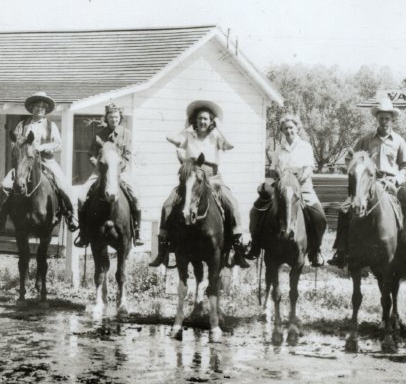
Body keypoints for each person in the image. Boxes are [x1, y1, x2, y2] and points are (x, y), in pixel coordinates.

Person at [148, 100, 250, 269]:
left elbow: (230, 145)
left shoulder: (216, 136)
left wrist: (219, 127)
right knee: (167, 205)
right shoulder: (188, 135)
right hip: (191, 177)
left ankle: (237, 248)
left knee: (232, 203)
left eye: (206, 119)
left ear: (211, 121)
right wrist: (185, 126)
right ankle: (163, 249)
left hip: (213, 177)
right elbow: (170, 138)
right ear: (194, 120)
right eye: (199, 119)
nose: (202, 122)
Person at [328, 96, 406, 267]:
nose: (384, 122)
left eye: (387, 119)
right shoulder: (366, 140)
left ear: (392, 120)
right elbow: (350, 159)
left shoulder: (399, 141)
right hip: (367, 184)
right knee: (345, 210)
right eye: (381, 118)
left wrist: (397, 179)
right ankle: (342, 250)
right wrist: (356, 172)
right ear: (377, 119)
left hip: (390, 184)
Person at [246, 114, 327, 266]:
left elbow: (309, 168)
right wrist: (278, 174)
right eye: (285, 128)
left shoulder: (306, 146)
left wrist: (298, 179)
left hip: (302, 186)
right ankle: (255, 246)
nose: (289, 131)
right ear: (282, 131)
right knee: (256, 209)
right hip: (281, 186)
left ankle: (315, 250)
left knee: (320, 217)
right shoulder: (279, 149)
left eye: (291, 127)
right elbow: (273, 168)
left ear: (297, 128)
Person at [0, 92, 78, 232]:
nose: (40, 109)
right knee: (5, 185)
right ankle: (1, 217)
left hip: (46, 161)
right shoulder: (23, 124)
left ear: (46, 110)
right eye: (37, 106)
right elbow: (15, 143)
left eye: (43, 107)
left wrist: (42, 147)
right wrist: (23, 149)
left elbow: (59, 144)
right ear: (32, 108)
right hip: (26, 162)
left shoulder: (51, 126)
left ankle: (70, 216)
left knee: (64, 185)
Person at [74, 103, 144, 248]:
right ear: (106, 118)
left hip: (121, 171)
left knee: (136, 196)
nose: (114, 119)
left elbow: (128, 155)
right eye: (111, 116)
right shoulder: (100, 135)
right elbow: (92, 154)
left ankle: (137, 232)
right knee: (81, 197)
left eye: (116, 116)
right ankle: (83, 233)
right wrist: (100, 165)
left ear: (120, 118)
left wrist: (116, 166)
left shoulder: (127, 134)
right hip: (101, 171)